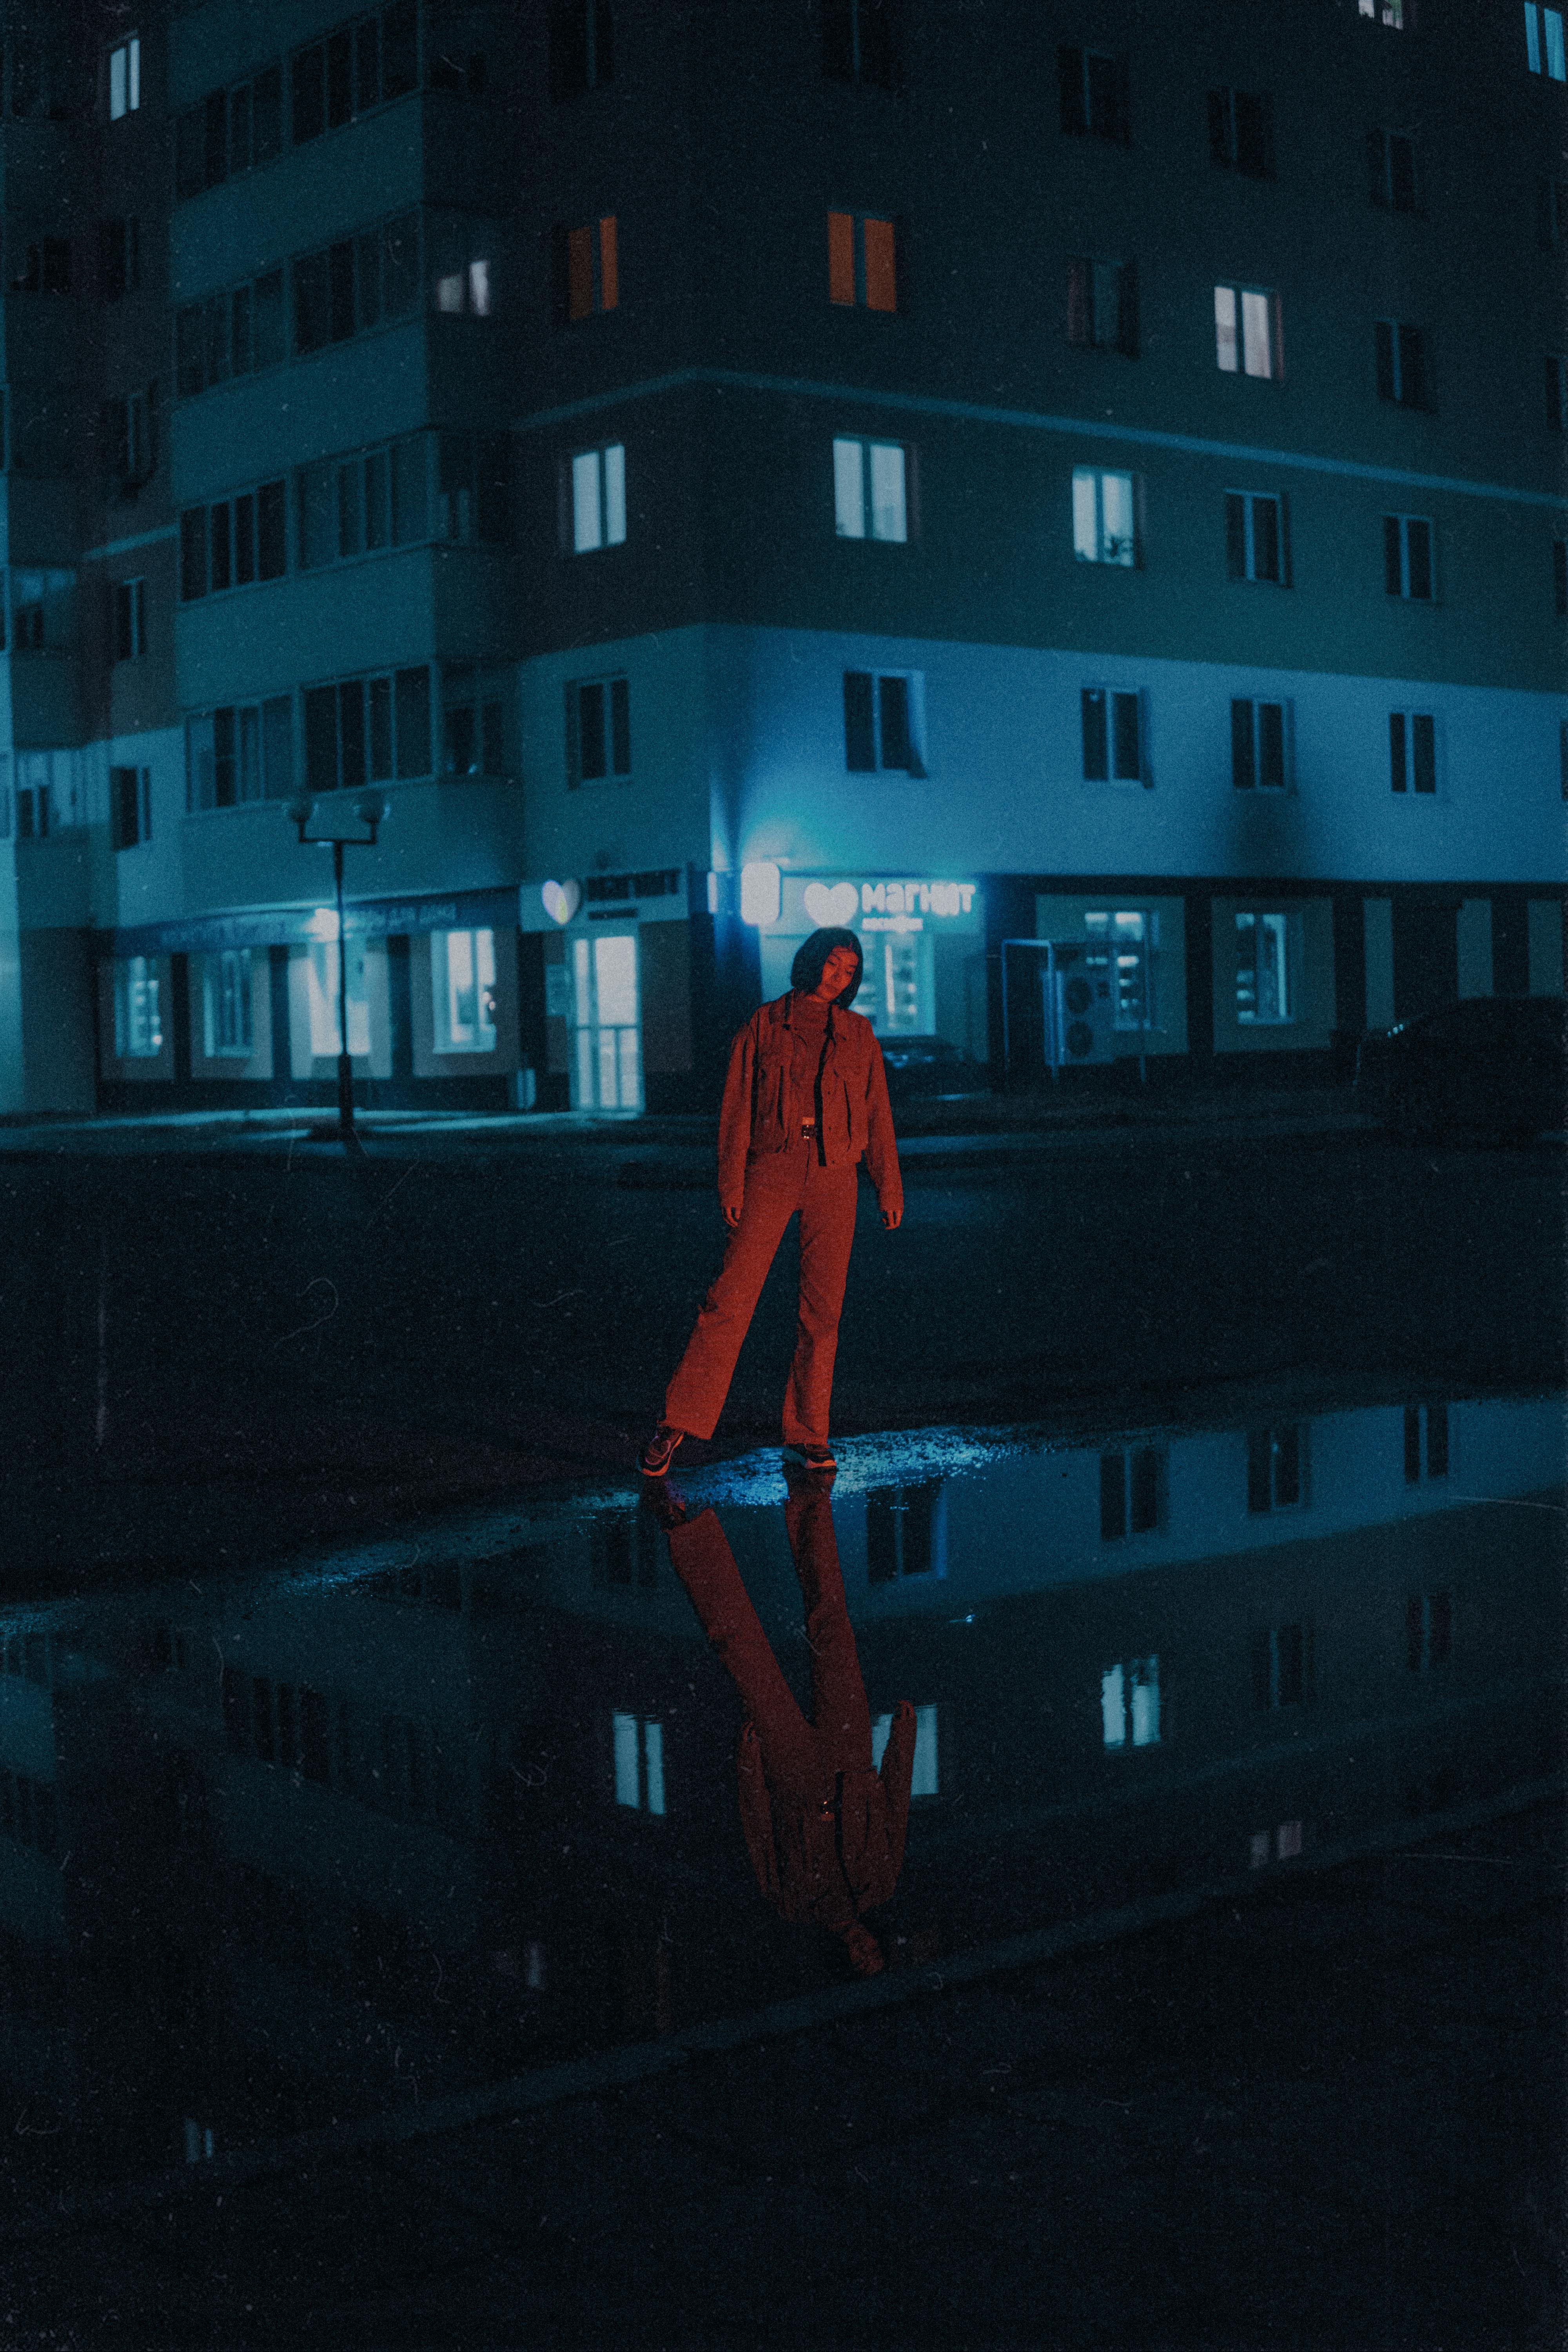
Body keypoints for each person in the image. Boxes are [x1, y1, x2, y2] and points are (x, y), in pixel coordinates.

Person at [639, 927, 902, 1477]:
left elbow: (878, 1114)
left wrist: (889, 1186)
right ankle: (676, 1423)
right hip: (773, 1168)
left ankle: (808, 1435)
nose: (839, 977)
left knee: (822, 1312)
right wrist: (731, 1183)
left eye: (850, 971)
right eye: (833, 964)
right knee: (729, 1300)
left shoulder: (858, 1034)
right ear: (813, 960)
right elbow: (736, 1108)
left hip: (836, 1176)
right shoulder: (764, 1024)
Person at [650, 1468, 916, 1975]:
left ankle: (684, 1529)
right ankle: (811, 1502)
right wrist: (903, 1739)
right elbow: (896, 1806)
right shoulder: (881, 1885)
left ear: (841, 1960)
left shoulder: (792, 1906)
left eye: (859, 1960)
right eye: (875, 1953)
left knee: (742, 1652)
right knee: (832, 1625)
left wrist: (749, 1766)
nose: (864, 1949)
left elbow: (759, 1829)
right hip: (851, 1758)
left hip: (792, 1774)